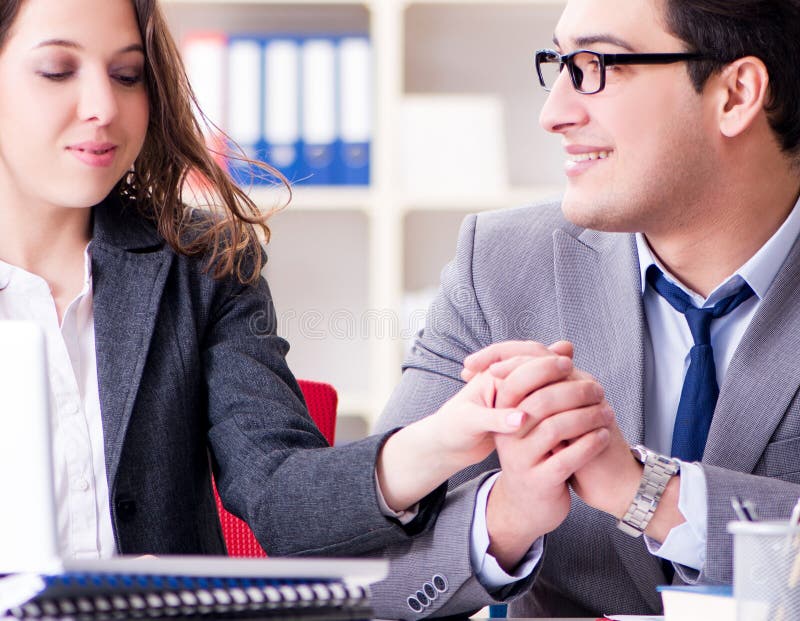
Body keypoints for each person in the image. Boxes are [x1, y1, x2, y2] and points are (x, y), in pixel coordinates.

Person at [0, 0, 594, 563]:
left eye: (129, 75)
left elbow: (278, 492)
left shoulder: (202, 262)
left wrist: (446, 437)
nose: (103, 104)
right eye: (57, 70)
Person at [371, 0, 800, 617]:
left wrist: (648, 493)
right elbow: (364, 575)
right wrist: (511, 513)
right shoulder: (498, 264)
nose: (554, 114)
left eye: (598, 65)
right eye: (560, 64)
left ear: (735, 94)